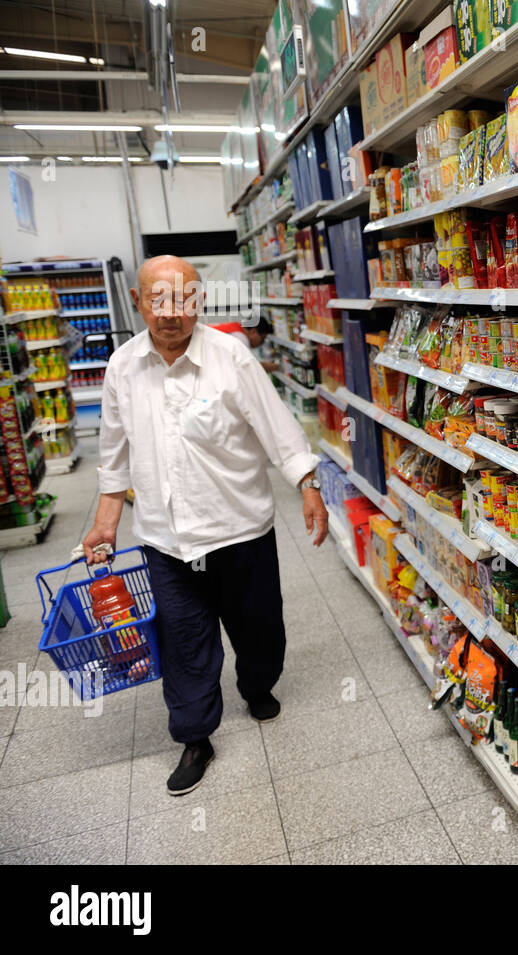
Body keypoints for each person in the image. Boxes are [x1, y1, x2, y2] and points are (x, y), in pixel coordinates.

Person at [82, 255, 330, 796]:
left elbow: (277, 428)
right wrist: (106, 521)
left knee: (261, 629)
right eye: (159, 299)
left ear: (201, 301)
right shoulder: (122, 367)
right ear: (137, 300)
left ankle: (257, 682)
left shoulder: (229, 356)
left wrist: (307, 485)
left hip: (241, 531)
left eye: (185, 299)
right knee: (185, 644)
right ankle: (195, 737)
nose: (172, 313)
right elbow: (113, 451)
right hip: (166, 541)